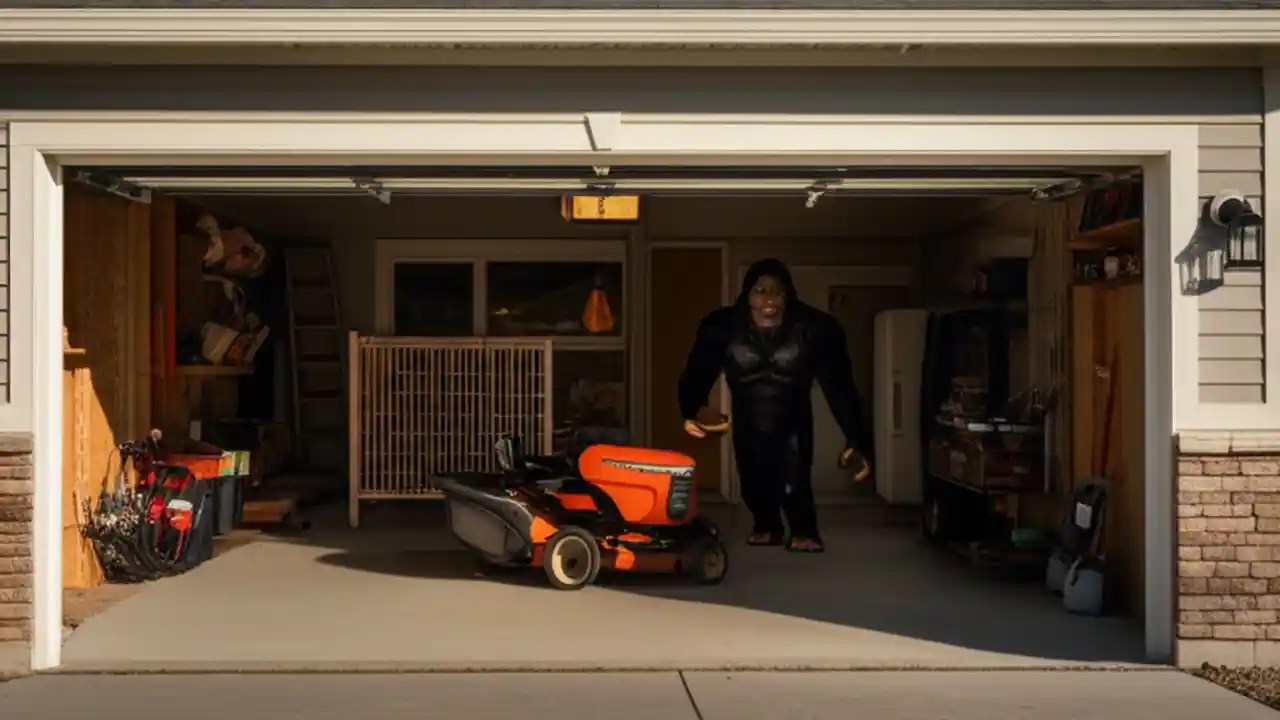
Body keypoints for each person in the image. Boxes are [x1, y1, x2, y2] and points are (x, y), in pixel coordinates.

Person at [677, 258, 870, 553]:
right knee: (752, 482)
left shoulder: (813, 329)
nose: (768, 299)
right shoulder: (724, 328)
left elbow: (840, 386)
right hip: (748, 418)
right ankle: (767, 525)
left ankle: (804, 530)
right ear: (748, 296)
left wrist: (855, 437)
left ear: (787, 295)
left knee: (793, 478)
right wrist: (693, 409)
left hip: (792, 419)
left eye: (776, 292)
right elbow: (697, 371)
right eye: (760, 291)